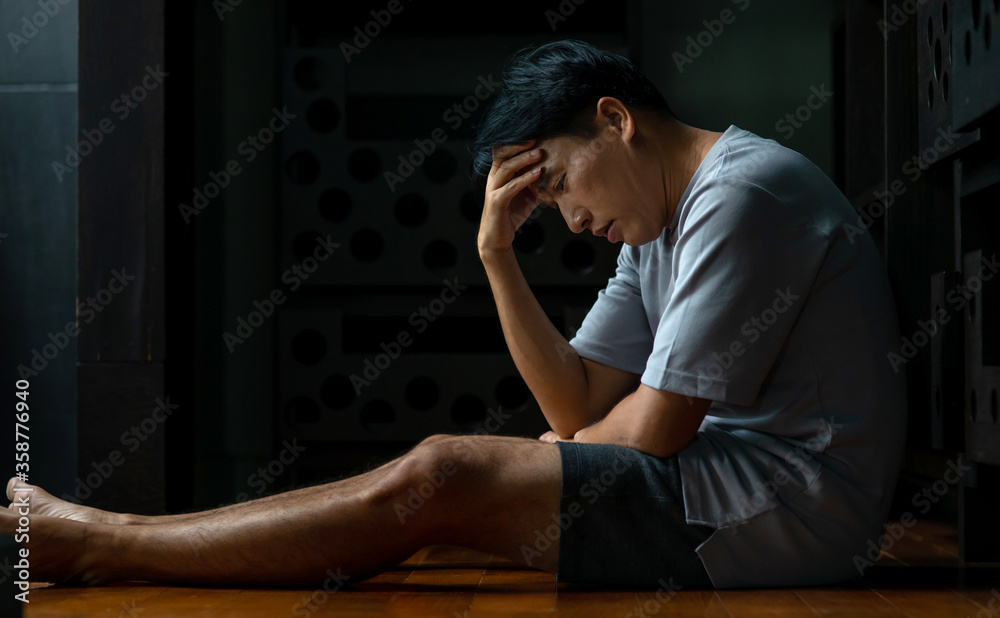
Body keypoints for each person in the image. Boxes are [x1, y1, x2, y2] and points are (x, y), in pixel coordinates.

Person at [2, 39, 906, 589]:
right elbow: (576, 406)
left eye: (558, 182)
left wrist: (572, 449)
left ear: (615, 119)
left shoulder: (740, 194)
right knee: (440, 480)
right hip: (723, 490)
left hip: (787, 511)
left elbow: (654, 432)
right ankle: (108, 538)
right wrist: (495, 256)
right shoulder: (653, 229)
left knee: (442, 474)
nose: (569, 218)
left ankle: (104, 542)